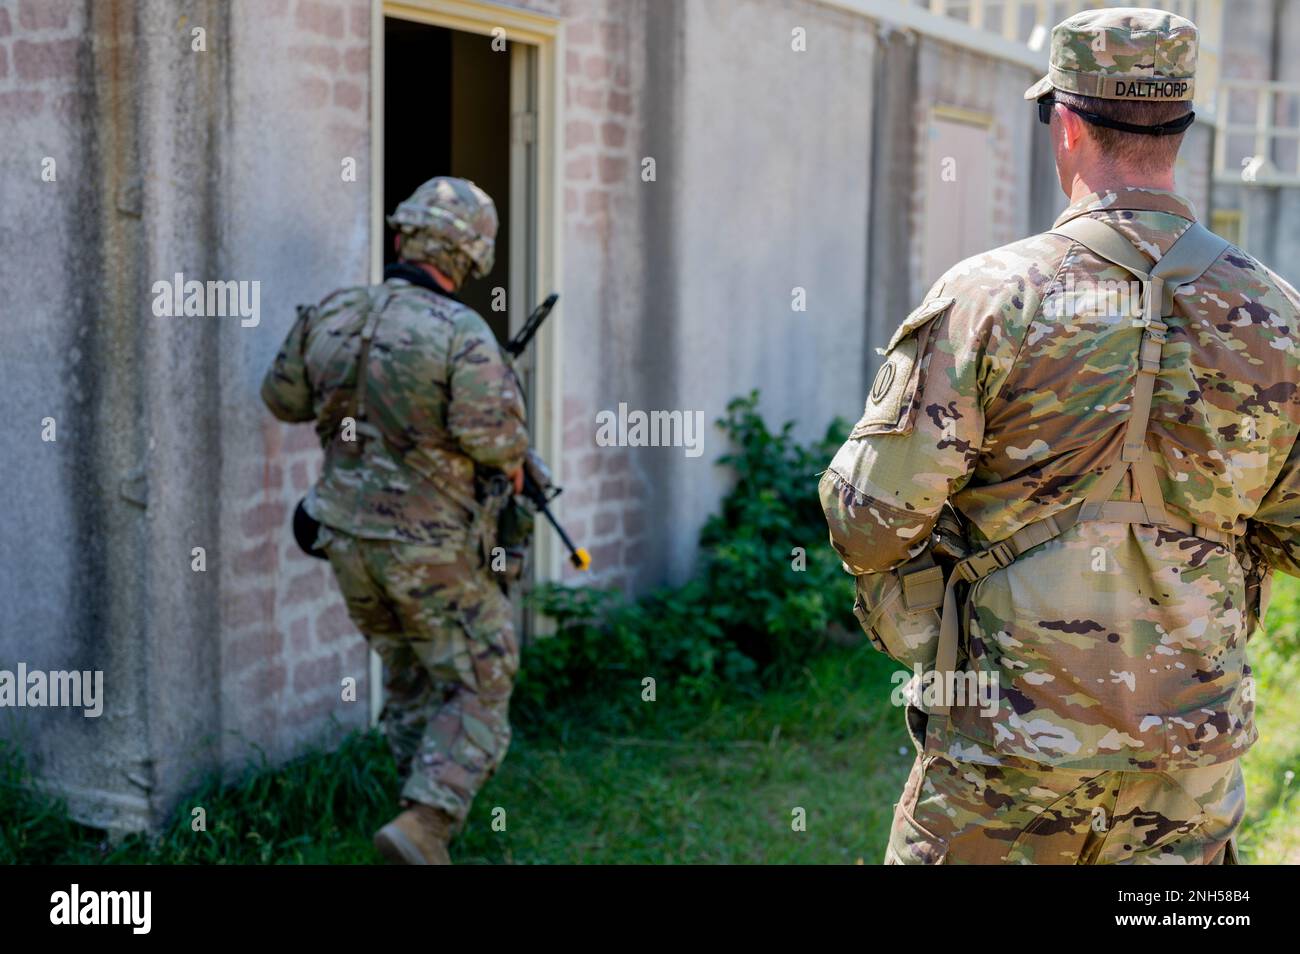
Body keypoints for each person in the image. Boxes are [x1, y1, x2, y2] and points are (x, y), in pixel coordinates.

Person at [820, 8, 1300, 864]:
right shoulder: (1277, 317)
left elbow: (868, 520)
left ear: (1067, 125)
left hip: (1002, 761)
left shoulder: (990, 298)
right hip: (1188, 763)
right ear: (1180, 128)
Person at [261, 176, 528, 864]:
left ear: (403, 234)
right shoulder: (462, 333)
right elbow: (494, 441)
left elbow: (282, 398)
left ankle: (408, 816)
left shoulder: (333, 312)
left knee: (410, 673)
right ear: (470, 255)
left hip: (344, 539)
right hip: (429, 549)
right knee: (482, 674)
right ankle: (428, 822)